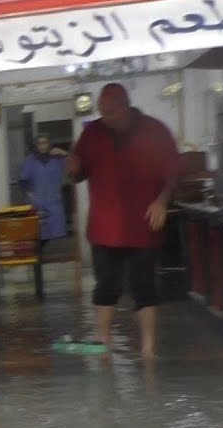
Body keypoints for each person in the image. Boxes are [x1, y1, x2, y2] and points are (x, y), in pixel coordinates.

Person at [67, 83, 179, 359]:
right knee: (106, 286)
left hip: (143, 223)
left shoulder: (155, 130)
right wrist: (72, 170)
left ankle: (149, 348)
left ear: (126, 106)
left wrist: (163, 200)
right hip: (105, 227)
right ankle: (103, 346)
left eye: (111, 113)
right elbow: (79, 173)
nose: (106, 118)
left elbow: (174, 171)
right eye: (102, 112)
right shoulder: (91, 133)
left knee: (144, 286)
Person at [18, 134, 70, 256]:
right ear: (36, 145)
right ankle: (36, 253)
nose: (42, 145)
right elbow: (23, 180)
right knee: (38, 230)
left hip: (53, 200)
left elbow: (73, 167)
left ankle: (38, 252)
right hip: (37, 200)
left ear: (49, 144)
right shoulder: (30, 160)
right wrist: (30, 195)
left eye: (45, 142)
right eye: (39, 143)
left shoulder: (57, 159)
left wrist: (65, 153)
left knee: (53, 229)